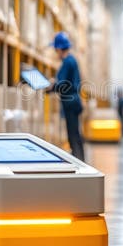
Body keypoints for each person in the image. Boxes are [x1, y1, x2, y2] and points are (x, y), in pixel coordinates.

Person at [49, 32, 85, 162]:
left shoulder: (67, 62)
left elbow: (62, 84)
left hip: (70, 103)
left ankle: (78, 161)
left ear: (58, 48)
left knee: (73, 135)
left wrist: (51, 87)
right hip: (74, 101)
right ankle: (79, 159)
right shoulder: (72, 60)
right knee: (75, 133)